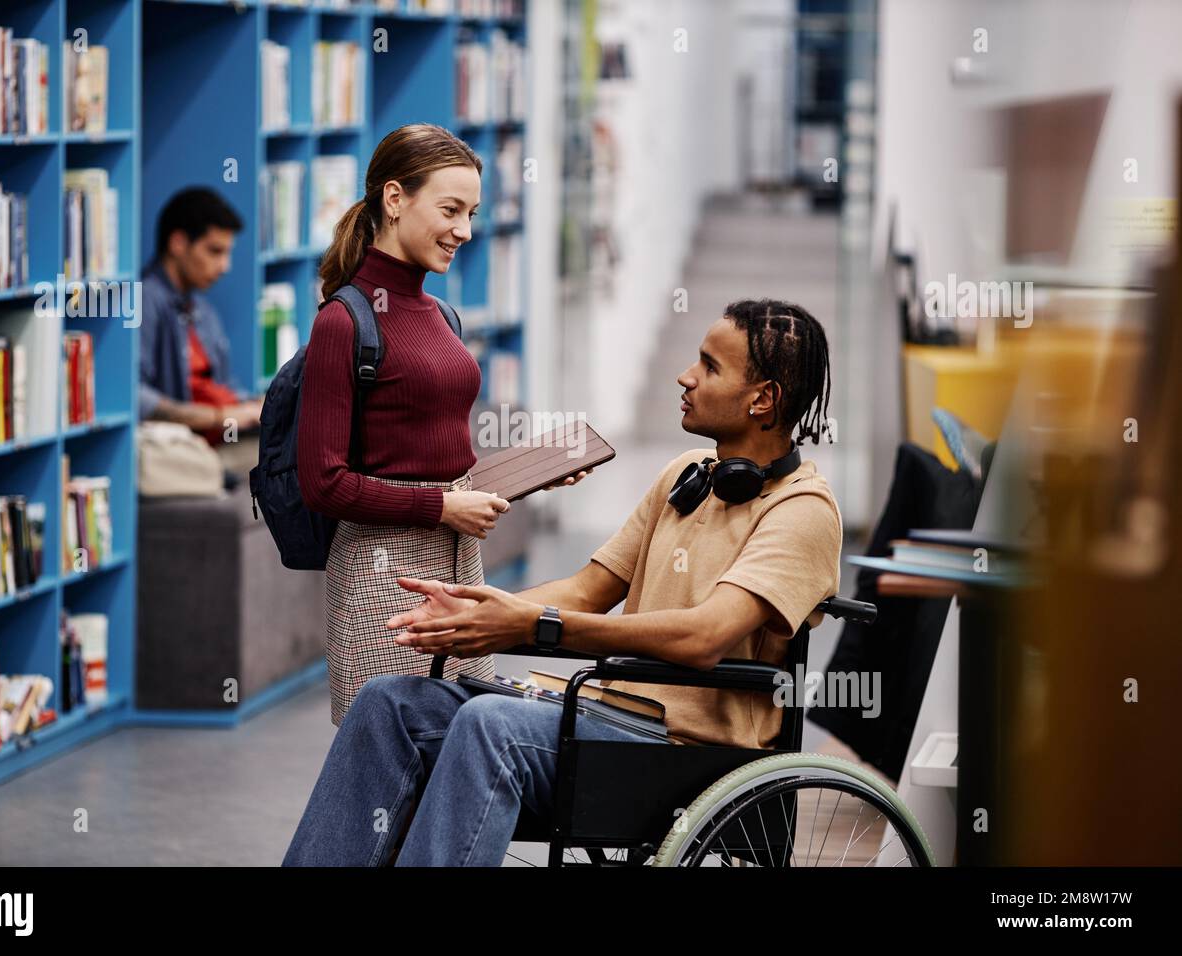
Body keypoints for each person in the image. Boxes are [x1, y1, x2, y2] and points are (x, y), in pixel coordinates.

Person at [282, 298, 844, 867]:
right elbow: (585, 592)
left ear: (763, 399)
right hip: (609, 717)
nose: (686, 376)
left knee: (489, 724)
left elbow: (704, 638)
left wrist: (534, 626)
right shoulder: (688, 476)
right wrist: (475, 612)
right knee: (387, 704)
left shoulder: (802, 511)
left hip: (687, 751)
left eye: (710, 366)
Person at [297, 123, 590, 726]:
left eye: (472, 212)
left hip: (461, 565)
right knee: (391, 759)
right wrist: (440, 509)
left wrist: (527, 473)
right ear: (395, 199)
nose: (465, 231)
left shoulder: (443, 316)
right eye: (451, 210)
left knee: (464, 749)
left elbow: (432, 459)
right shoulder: (343, 321)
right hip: (384, 578)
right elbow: (322, 483)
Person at [139, 187, 263, 473]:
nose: (225, 266)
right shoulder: (144, 300)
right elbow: (135, 396)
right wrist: (217, 417)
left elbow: (224, 388)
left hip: (223, 438)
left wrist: (260, 405)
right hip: (185, 448)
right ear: (179, 243)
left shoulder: (202, 312)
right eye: (215, 251)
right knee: (291, 463)